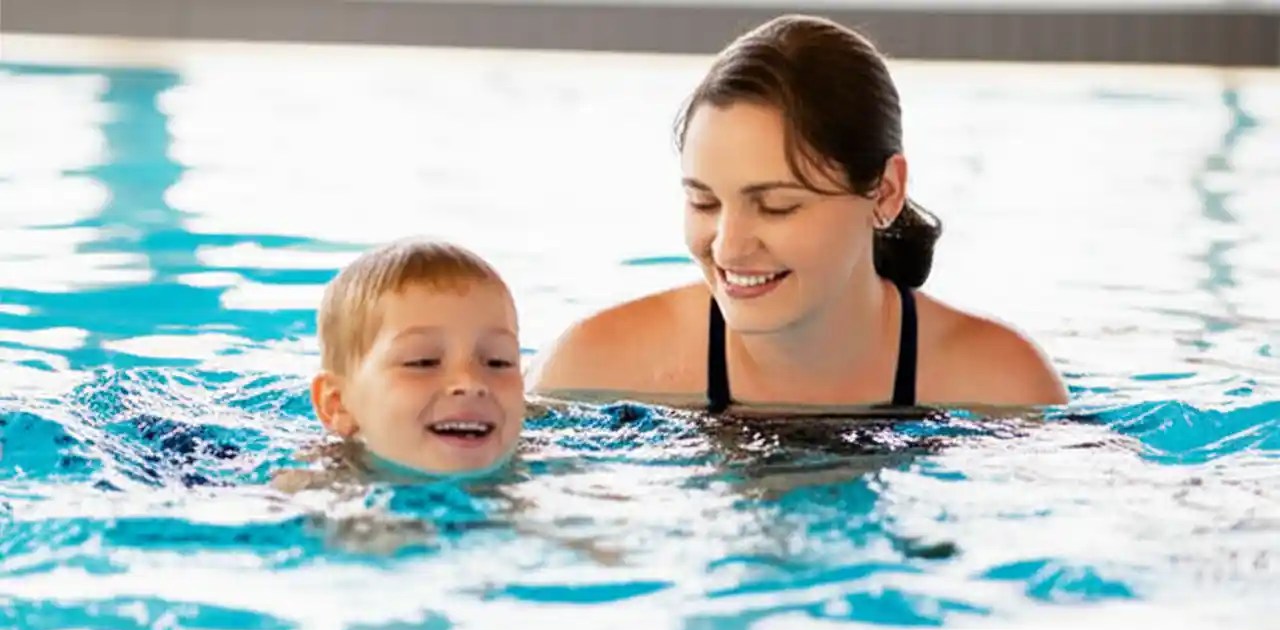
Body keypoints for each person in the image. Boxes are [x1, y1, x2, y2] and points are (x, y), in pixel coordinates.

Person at [528, 14, 1067, 413]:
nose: (728, 247)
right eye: (704, 202)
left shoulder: (1000, 384)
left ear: (884, 193)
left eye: (778, 206)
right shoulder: (591, 367)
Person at [277, 237, 525, 491]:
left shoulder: (548, 463)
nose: (470, 383)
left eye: (498, 362)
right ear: (338, 404)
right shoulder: (310, 489)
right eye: (423, 362)